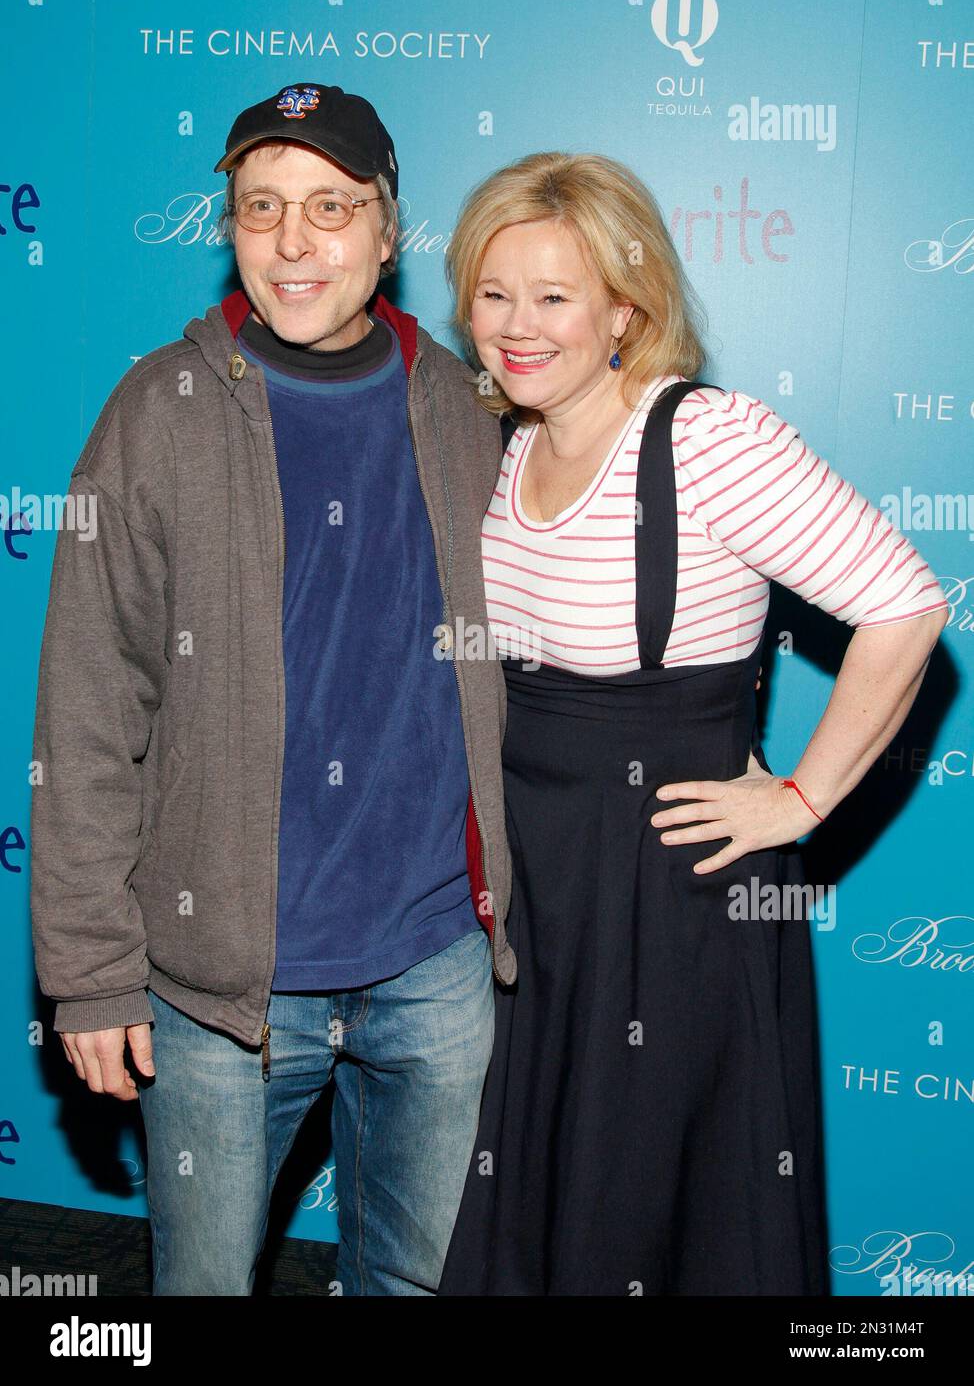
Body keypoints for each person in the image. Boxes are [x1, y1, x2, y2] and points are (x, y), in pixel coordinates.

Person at [29, 83, 516, 1296]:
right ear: (230, 228)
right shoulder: (160, 410)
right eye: (261, 208)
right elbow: (89, 710)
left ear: (388, 230)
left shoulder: (468, 411)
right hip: (218, 988)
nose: (293, 242)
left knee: (419, 1285)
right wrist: (90, 971)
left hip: (435, 962)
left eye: (329, 208)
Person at [436, 151, 950, 1296]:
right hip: (540, 884)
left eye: (553, 296)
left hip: (663, 890)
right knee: (539, 1188)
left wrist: (801, 797)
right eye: (492, 292)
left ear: (627, 306)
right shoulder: (512, 439)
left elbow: (906, 605)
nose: (517, 326)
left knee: (652, 1201)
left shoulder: (705, 438)